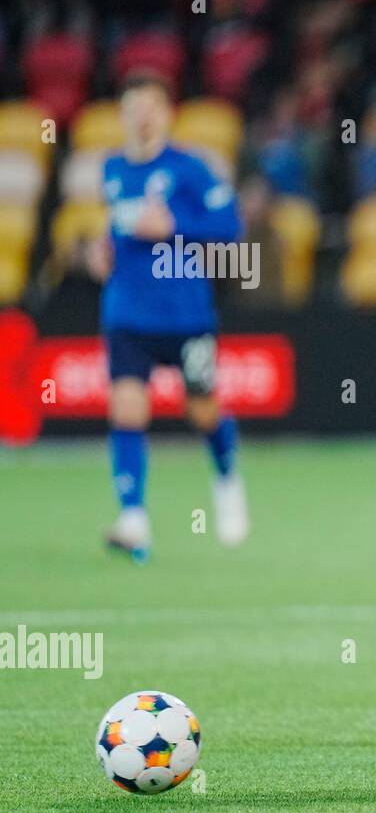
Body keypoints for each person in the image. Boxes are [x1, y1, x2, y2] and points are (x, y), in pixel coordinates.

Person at [92, 74, 248, 562]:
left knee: (201, 410)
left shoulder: (191, 168)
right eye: (132, 105)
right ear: (121, 115)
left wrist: (176, 226)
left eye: (150, 106)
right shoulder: (113, 169)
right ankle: (133, 519)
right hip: (127, 314)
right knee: (127, 408)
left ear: (166, 113)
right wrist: (104, 250)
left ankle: (226, 477)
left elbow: (230, 231)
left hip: (186, 316)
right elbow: (116, 230)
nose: (141, 115)